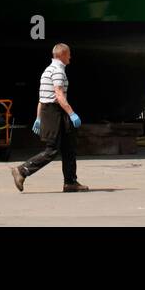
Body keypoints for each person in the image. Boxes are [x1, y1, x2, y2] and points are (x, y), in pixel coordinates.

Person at [10, 43, 88, 192]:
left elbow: (41, 98)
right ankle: (22, 170)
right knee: (51, 150)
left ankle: (70, 182)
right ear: (63, 55)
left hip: (50, 110)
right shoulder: (58, 71)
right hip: (55, 112)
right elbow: (58, 95)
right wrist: (72, 113)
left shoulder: (47, 71)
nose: (70, 57)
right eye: (69, 54)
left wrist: (38, 118)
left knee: (69, 146)